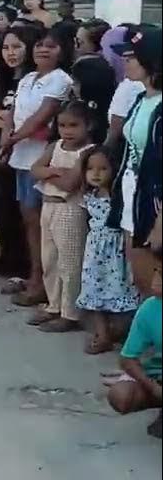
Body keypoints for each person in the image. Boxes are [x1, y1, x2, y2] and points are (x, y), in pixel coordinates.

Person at [2, 28, 74, 307]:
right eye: (40, 45)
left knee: (42, 223)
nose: (43, 50)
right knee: (29, 220)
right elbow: (13, 113)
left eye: (51, 46)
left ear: (62, 51)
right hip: (21, 156)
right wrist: (6, 140)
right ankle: (35, 275)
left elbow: (41, 118)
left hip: (43, 157)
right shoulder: (27, 78)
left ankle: (44, 282)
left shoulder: (61, 80)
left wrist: (11, 140)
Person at [27, 101, 96, 332]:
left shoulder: (88, 152)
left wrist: (46, 175)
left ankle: (70, 313)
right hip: (48, 206)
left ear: (89, 125)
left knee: (70, 262)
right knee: (49, 259)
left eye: (74, 125)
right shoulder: (55, 146)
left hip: (71, 209)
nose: (67, 131)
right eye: (62, 125)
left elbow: (70, 185)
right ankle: (53, 305)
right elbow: (34, 169)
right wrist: (55, 171)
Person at [109, 27, 163, 298]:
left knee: (155, 286)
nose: (125, 61)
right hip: (134, 196)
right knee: (141, 281)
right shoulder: (142, 98)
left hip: (153, 204)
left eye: (131, 57)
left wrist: (160, 224)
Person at [77, 146, 140, 355]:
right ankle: (102, 334)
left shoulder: (120, 197)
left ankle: (127, 334)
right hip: (95, 253)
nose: (96, 174)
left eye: (103, 168)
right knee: (94, 292)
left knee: (122, 291)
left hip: (117, 252)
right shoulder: (89, 195)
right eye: (90, 168)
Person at [105, 248, 162, 438]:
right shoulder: (150, 308)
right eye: (156, 271)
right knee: (121, 396)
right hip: (157, 375)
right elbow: (127, 358)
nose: (156, 279)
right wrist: (153, 387)